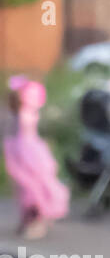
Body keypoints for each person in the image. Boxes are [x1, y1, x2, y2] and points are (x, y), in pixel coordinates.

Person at [4, 75, 70, 239]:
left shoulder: (24, 113)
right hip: (24, 152)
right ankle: (30, 220)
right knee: (27, 189)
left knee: (33, 189)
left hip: (28, 153)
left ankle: (35, 222)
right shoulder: (16, 115)